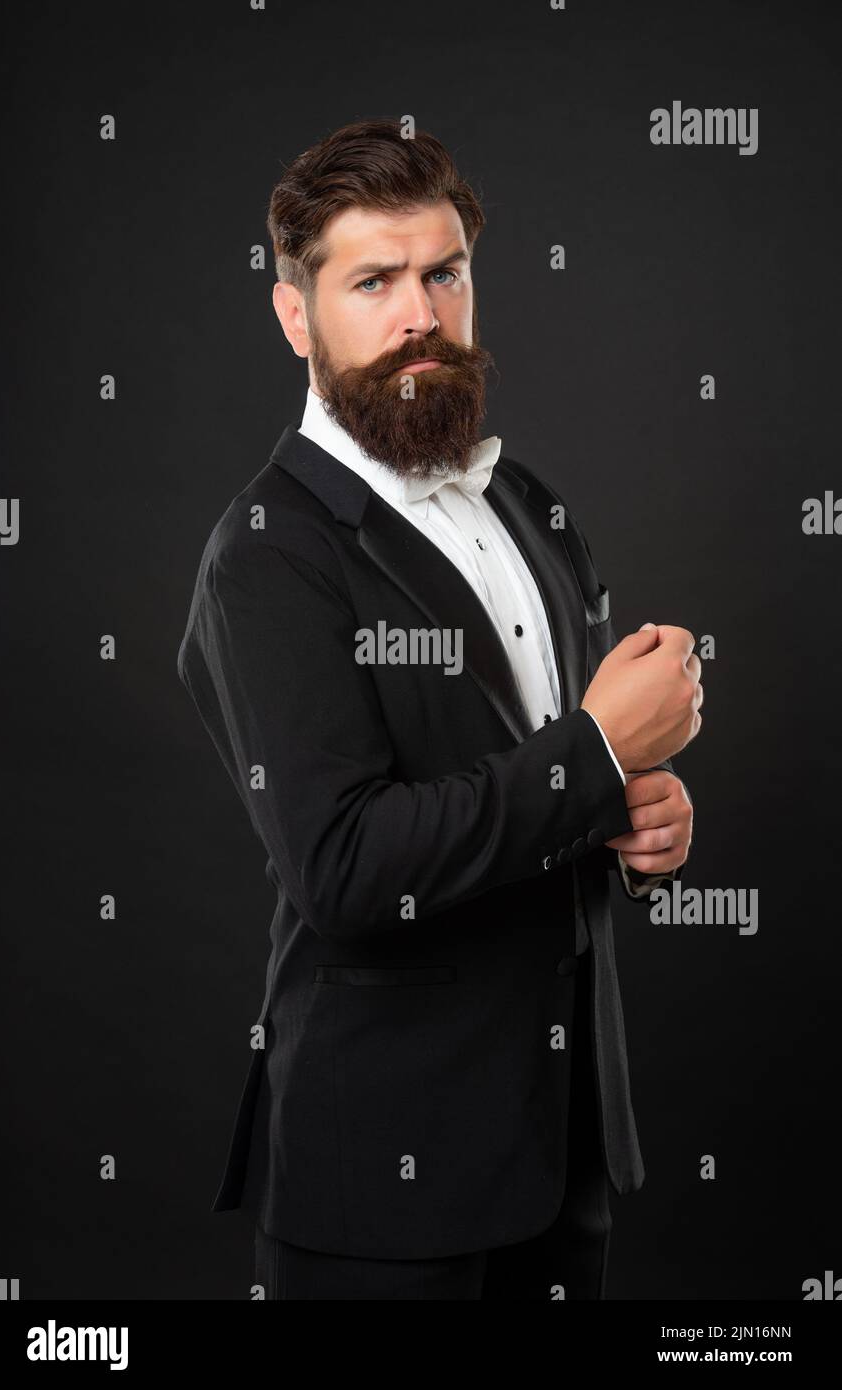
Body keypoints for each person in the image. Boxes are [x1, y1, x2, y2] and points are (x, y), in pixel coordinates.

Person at [176, 118, 700, 1300]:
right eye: (373, 281)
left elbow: (538, 786)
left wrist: (634, 820)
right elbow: (348, 867)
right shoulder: (265, 555)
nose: (420, 313)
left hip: (562, 1152)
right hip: (386, 1188)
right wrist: (604, 747)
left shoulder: (525, 500)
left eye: (443, 273)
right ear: (295, 315)